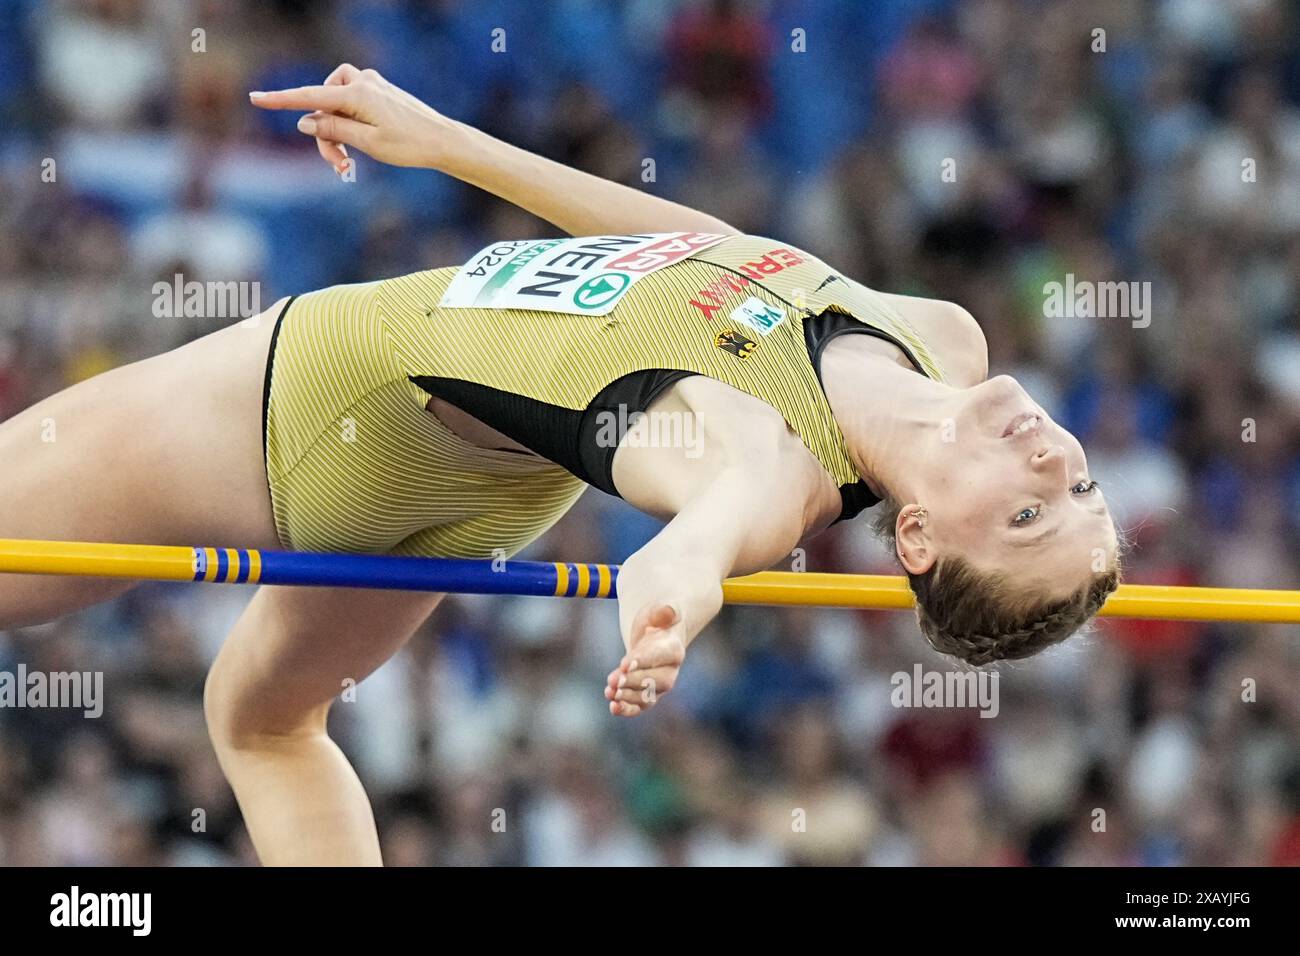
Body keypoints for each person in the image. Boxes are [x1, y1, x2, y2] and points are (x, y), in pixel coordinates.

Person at [0, 66, 1118, 864]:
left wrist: (668, 613)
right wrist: (449, 145)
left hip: (323, 399)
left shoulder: (773, 472)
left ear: (915, 536)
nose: (1053, 463)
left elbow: (699, 540)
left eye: (1025, 517)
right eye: (1080, 490)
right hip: (472, 495)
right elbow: (706, 255)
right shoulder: (945, 338)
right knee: (266, 723)